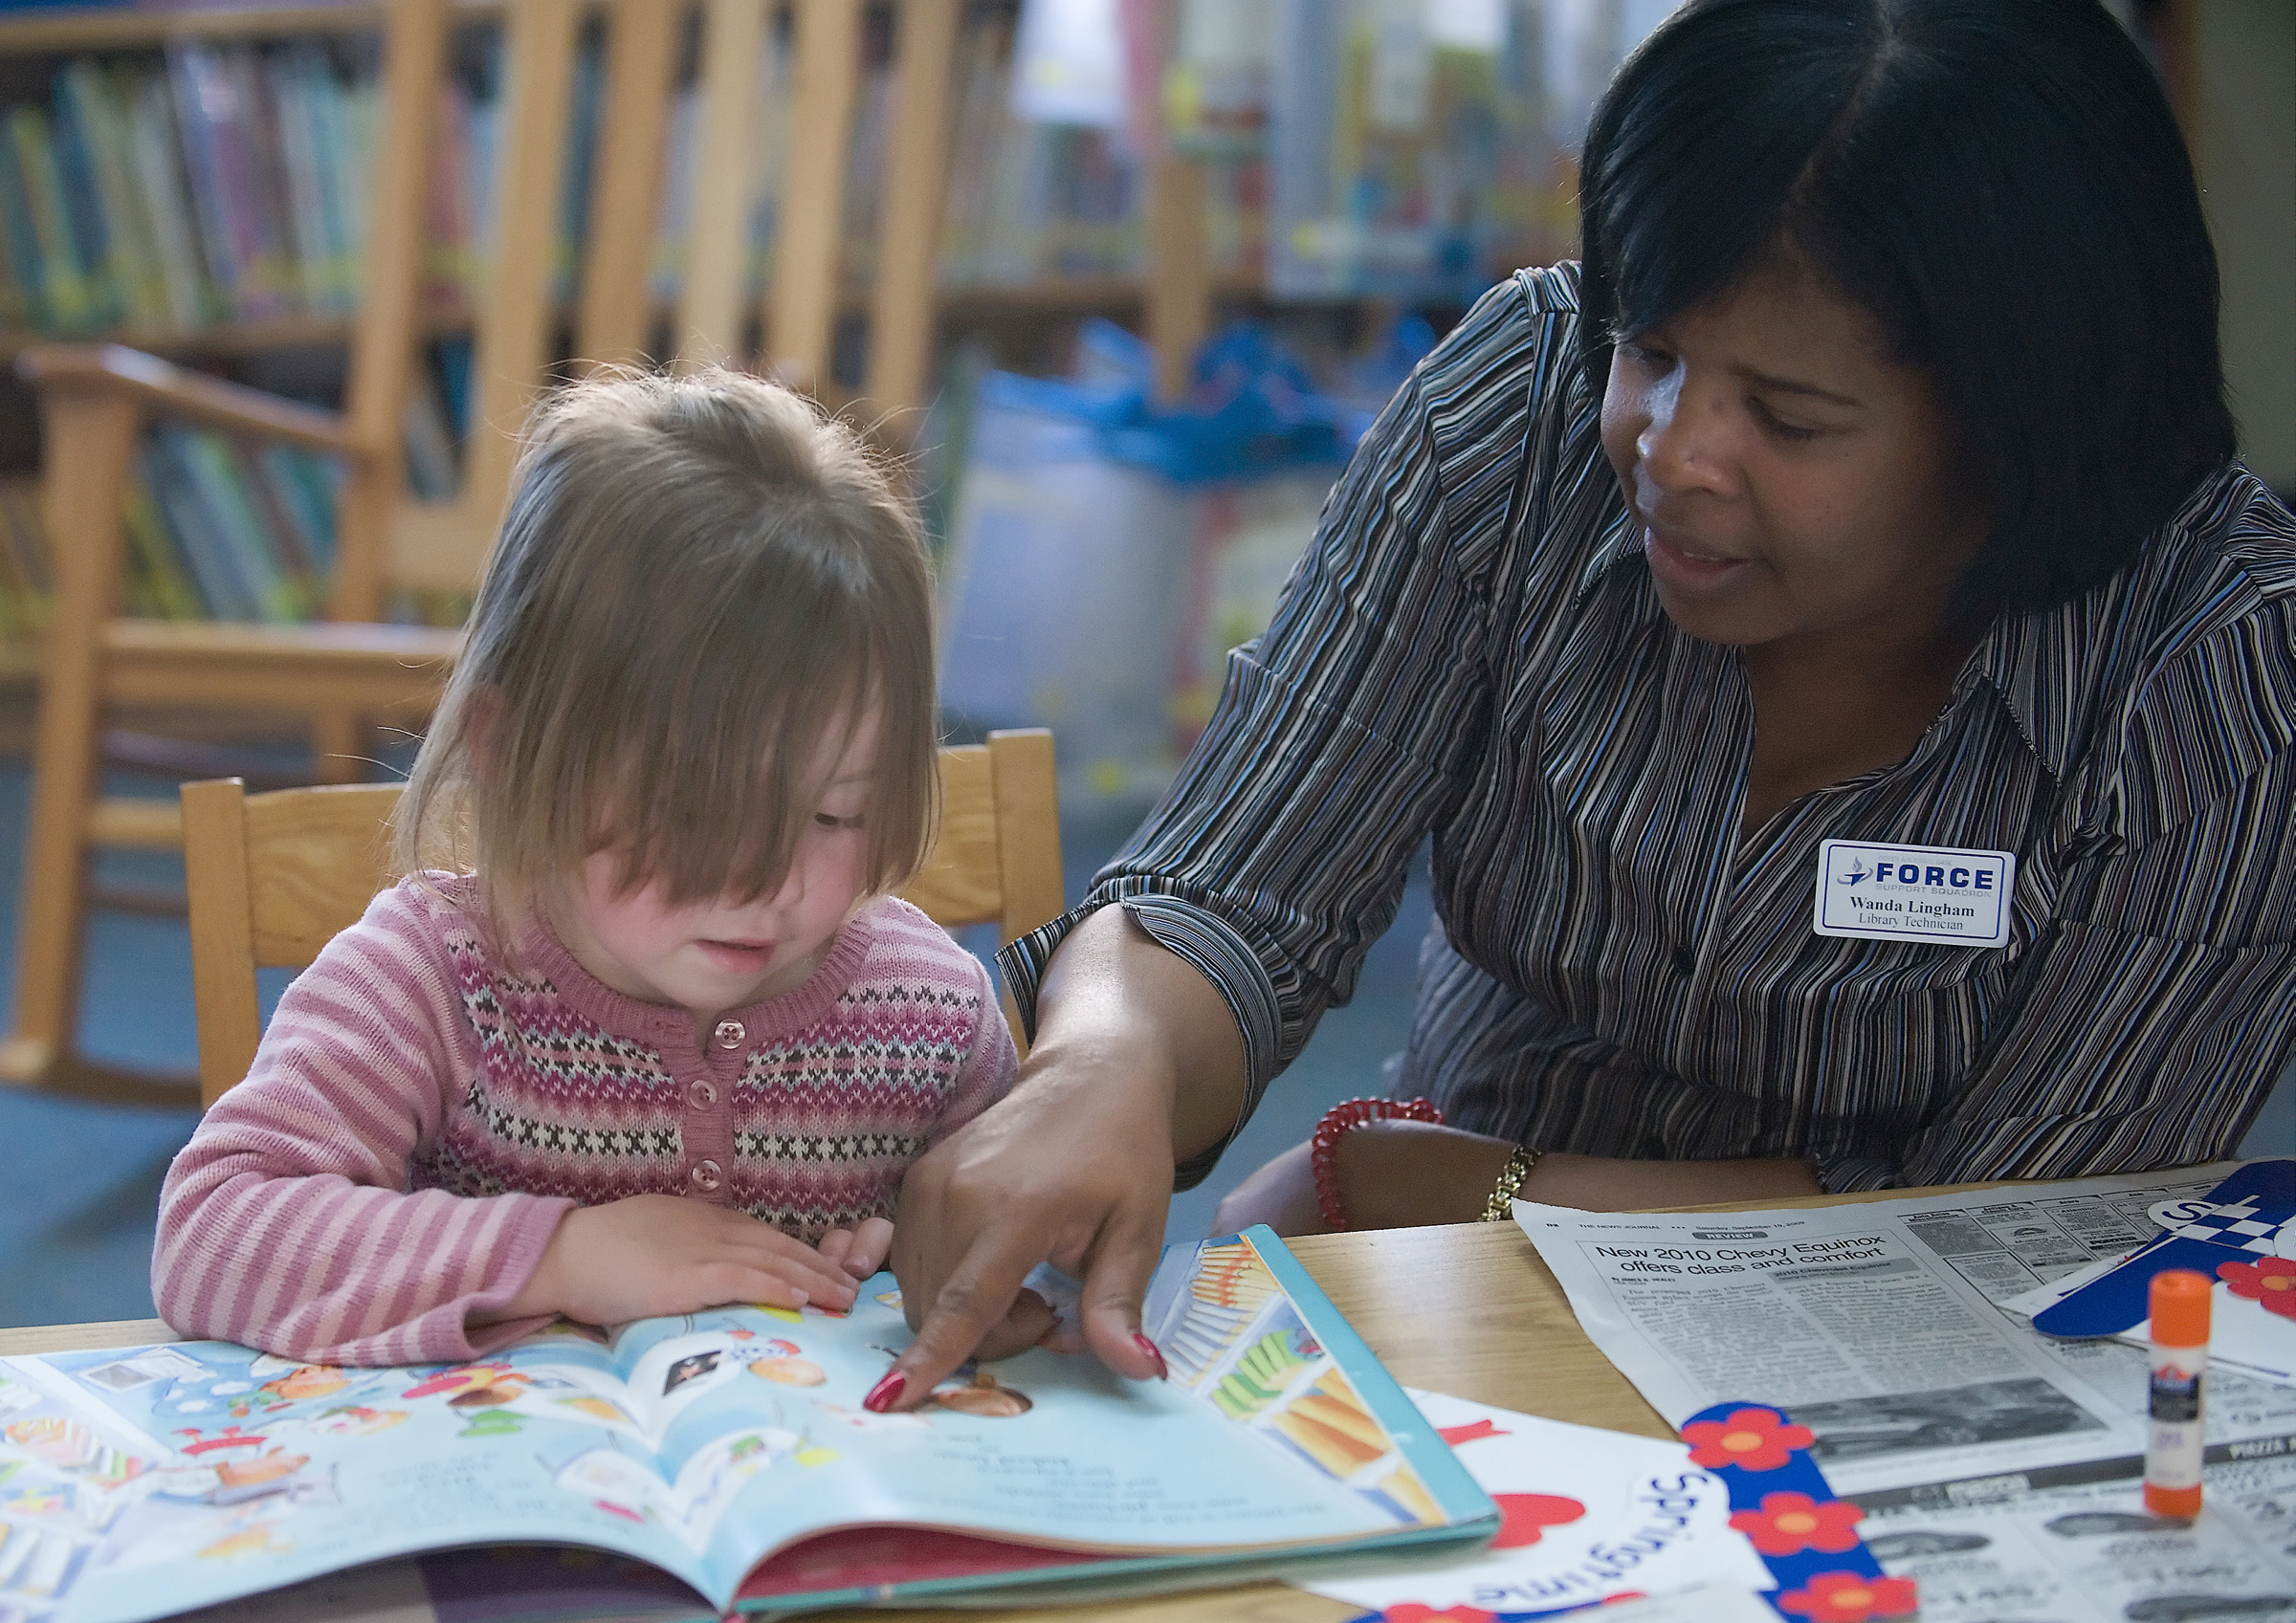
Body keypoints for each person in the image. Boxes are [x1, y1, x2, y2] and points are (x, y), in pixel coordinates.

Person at [873, 0, 2296, 1408]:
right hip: (1441, 1284)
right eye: (1652, 350)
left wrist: (1450, 1187)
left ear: (2025, 420)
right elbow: (1241, 890)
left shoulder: (2217, 663)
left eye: (1789, 419)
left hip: (1897, 1374)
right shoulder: (1521, 413)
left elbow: (2032, 1213)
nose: (1671, 454)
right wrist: (1108, 1057)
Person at [154, 368, 1018, 1369]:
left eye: (836, 812)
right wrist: (556, 1254)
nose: (765, 881)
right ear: (510, 749)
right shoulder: (433, 978)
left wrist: (939, 1259)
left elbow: (1030, 1246)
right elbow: (210, 1233)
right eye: (694, 808)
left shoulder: (935, 1017)